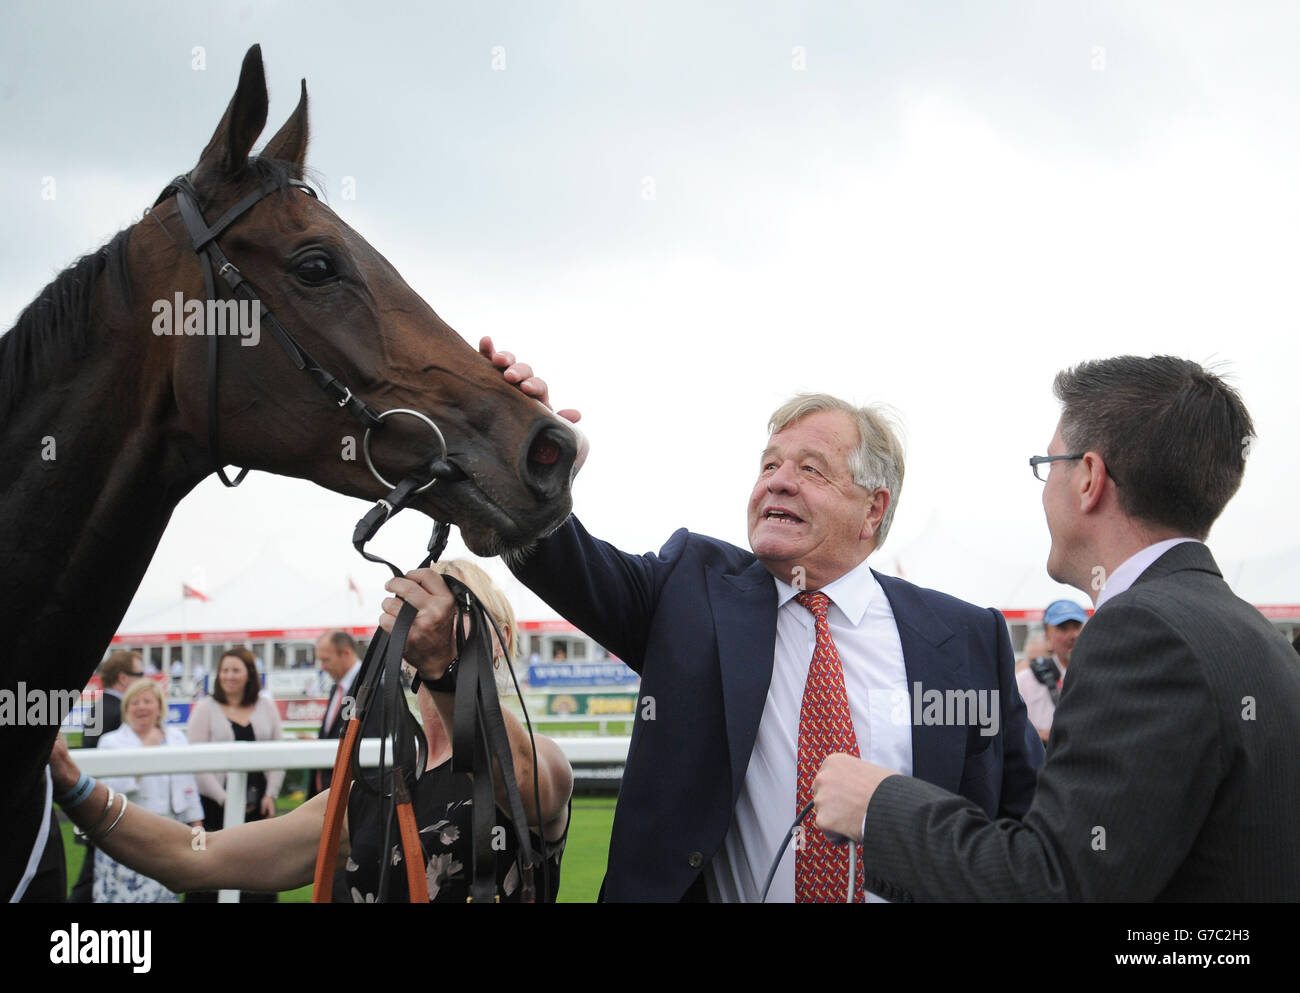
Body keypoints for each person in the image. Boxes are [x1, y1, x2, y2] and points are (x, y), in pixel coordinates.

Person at [397, 340, 1043, 902]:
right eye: (768, 464)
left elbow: (1030, 839)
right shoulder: (690, 589)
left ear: (873, 510)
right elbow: (567, 563)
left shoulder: (966, 641)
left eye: (808, 469)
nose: (776, 482)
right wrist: (524, 454)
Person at [815, 355, 1300, 900]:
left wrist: (880, 806)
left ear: (1089, 478)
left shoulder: (1143, 632)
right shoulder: (1258, 639)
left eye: (1048, 466)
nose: (1044, 490)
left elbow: (1055, 883)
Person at [47, 562, 572, 903]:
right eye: (419, 618)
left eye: (453, 611)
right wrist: (71, 783)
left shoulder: (543, 764)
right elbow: (190, 857)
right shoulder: (370, 796)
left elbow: (511, 769)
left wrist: (449, 666)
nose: (428, 625)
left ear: (500, 639)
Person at [184, 646, 285, 902]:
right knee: (213, 873)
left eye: (235, 670)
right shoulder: (206, 708)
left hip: (259, 806)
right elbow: (197, 761)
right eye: (224, 670)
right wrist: (224, 798)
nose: (229, 676)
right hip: (215, 807)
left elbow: (277, 753)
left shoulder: (266, 706)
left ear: (249, 674)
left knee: (259, 872)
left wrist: (271, 794)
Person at [92, 679, 204, 902]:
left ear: (160, 707)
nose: (141, 707)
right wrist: (147, 751)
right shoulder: (110, 742)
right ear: (126, 708)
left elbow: (188, 787)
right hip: (124, 836)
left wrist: (198, 829)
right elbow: (107, 791)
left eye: (147, 701)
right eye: (135, 702)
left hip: (168, 835)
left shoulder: (177, 739)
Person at [68, 649, 145, 902]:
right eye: (140, 674)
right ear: (124, 678)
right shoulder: (117, 712)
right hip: (109, 803)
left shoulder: (100, 707)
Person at [1015, 599, 1087, 743]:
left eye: (1077, 626)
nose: (1073, 635)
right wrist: (1037, 735)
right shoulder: (1025, 680)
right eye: (1063, 628)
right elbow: (1009, 726)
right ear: (1047, 634)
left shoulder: (1101, 673)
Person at [308, 630, 363, 798]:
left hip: (348, 795)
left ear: (346, 653)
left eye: (326, 660)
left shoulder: (370, 687)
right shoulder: (338, 688)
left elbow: (365, 739)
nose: (322, 667)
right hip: (329, 791)